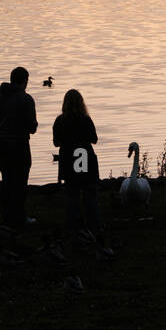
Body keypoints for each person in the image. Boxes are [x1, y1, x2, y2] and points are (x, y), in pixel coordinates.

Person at [0, 66, 37, 228]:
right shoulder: (26, 99)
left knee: (7, 180)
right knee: (20, 181)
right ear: (24, 81)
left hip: (2, 143)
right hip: (20, 144)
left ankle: (7, 216)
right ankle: (20, 217)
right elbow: (32, 127)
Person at [52, 88, 102, 239]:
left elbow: (56, 142)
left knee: (72, 194)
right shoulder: (86, 119)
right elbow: (94, 139)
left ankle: (73, 225)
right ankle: (93, 224)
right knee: (89, 193)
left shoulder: (60, 120)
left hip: (68, 159)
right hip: (85, 157)